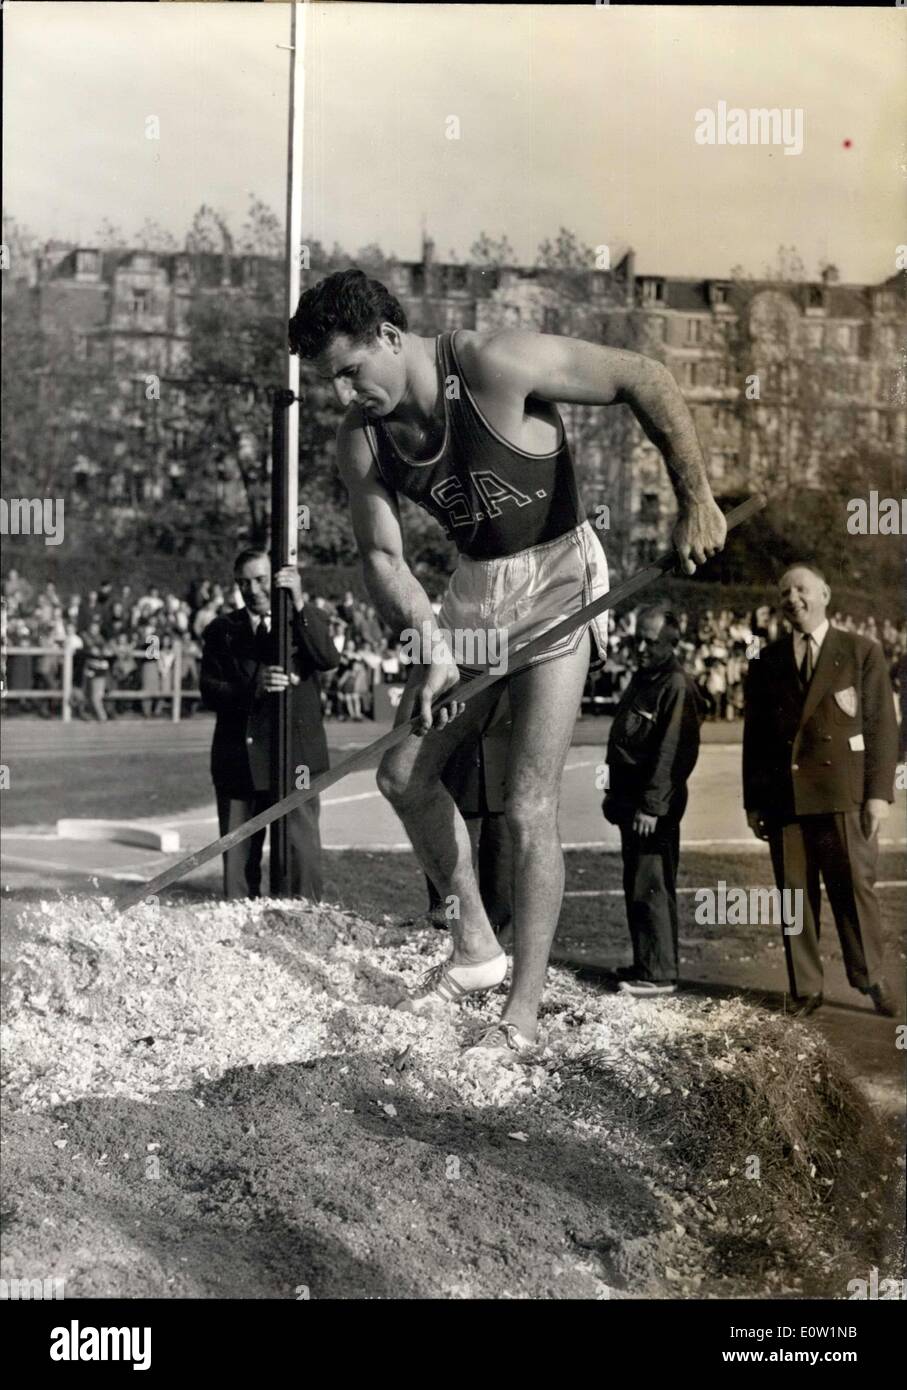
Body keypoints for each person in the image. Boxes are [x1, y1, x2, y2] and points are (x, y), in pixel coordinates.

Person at [289, 268, 726, 1058]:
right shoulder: (364, 438)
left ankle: (521, 1012)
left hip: (558, 574)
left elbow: (644, 377)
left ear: (390, 338)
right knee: (402, 775)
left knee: (527, 803)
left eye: (351, 372)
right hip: (473, 592)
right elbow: (381, 555)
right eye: (333, 382)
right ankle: (476, 948)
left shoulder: (494, 362)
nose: (346, 394)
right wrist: (427, 643)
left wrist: (694, 496)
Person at [743, 564, 900, 1017]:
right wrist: (754, 801)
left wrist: (877, 795)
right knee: (795, 896)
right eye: (785, 592)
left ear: (825, 594)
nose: (793, 598)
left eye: (802, 589)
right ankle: (806, 987)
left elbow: (883, 729)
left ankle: (870, 977)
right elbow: (756, 738)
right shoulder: (766, 660)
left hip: (843, 796)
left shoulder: (861, 651)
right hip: (785, 799)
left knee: (855, 889)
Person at [200, 548, 340, 901]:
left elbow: (327, 659)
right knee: (238, 857)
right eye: (244, 583)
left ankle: (303, 918)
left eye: (260, 579)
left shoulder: (306, 619)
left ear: (276, 578)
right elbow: (209, 691)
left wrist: (297, 602)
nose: (253, 589)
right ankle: (238, 924)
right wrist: (253, 688)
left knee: (300, 852)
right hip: (240, 758)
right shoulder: (222, 630)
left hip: (295, 757)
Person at [603, 606, 703, 995]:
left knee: (652, 883)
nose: (641, 647)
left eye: (650, 641)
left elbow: (673, 753)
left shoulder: (675, 684)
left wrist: (652, 806)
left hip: (651, 806)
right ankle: (647, 962)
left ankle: (659, 973)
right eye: (637, 639)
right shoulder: (646, 678)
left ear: (671, 644)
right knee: (638, 882)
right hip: (631, 800)